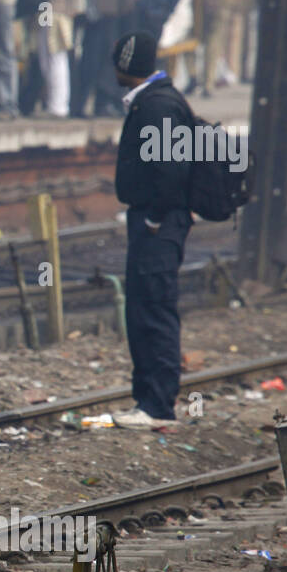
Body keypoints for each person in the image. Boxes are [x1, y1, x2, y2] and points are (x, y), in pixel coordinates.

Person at [110, 30, 192, 429]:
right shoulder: (155, 102)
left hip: (159, 225)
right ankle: (147, 401)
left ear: (125, 67)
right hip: (154, 222)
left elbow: (171, 172)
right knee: (142, 308)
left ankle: (159, 406)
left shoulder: (158, 107)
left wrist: (155, 219)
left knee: (154, 310)